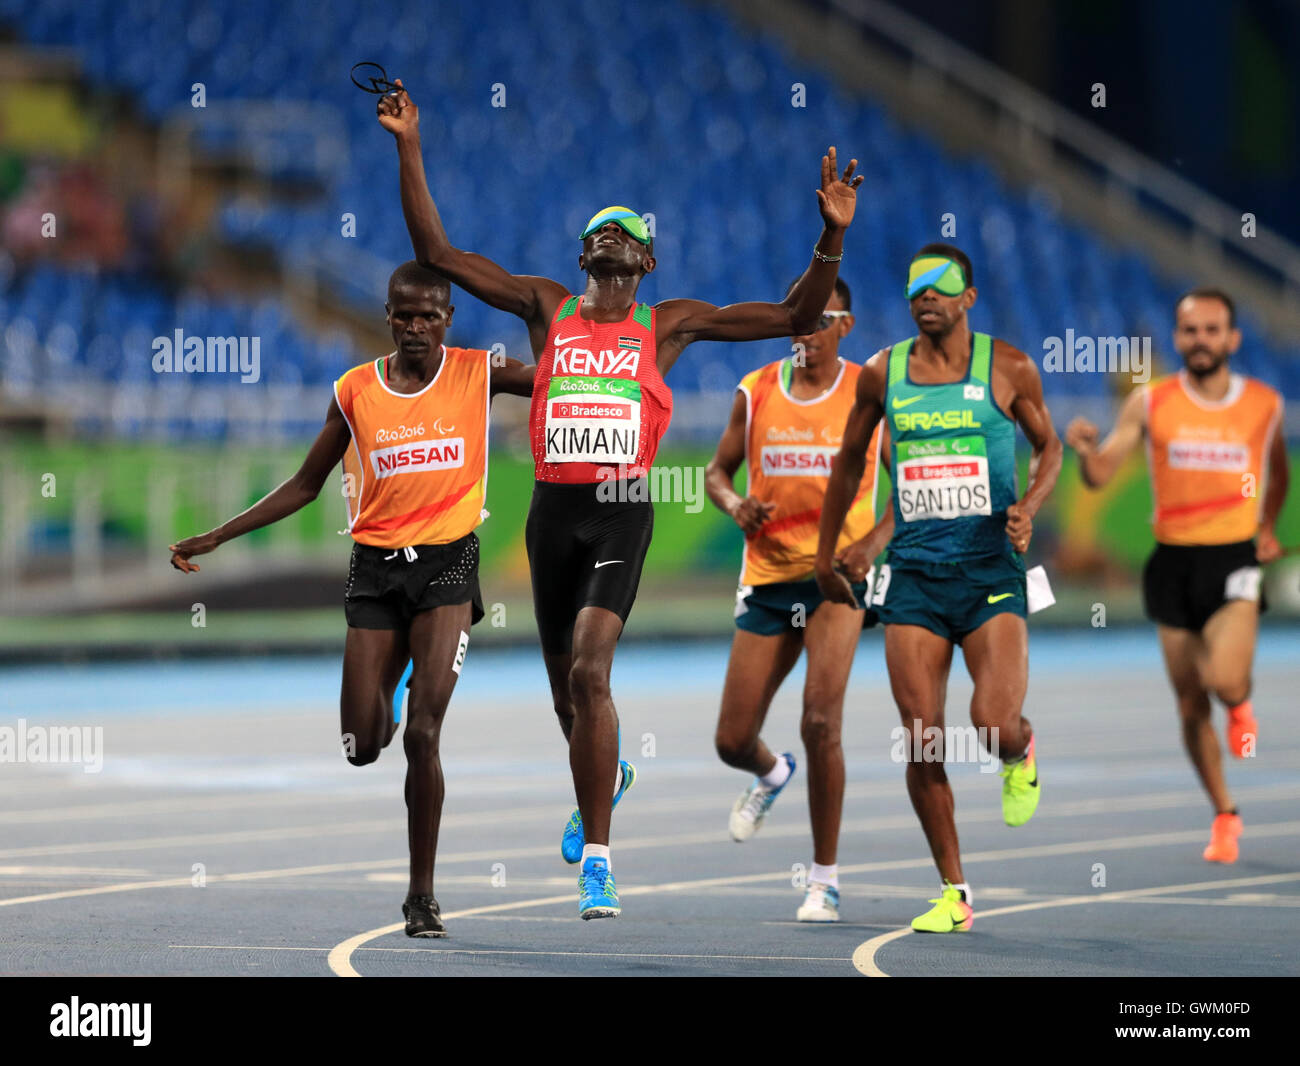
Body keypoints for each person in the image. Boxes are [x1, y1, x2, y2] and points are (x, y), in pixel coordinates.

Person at [377, 78, 861, 919]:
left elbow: (794, 316)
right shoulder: (545, 305)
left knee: (592, 671)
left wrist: (830, 237)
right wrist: (409, 144)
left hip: (620, 509)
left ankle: (597, 860)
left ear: (648, 261)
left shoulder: (670, 322)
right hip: (550, 516)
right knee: (566, 692)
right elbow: (440, 255)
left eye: (629, 233)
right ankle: (607, 774)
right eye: (600, 230)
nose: (613, 237)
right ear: (582, 257)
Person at [169, 262, 535, 937]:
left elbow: (559, 383)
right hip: (374, 571)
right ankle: (391, 689)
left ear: (448, 319)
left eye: (431, 315)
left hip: (449, 566)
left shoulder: (477, 372)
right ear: (388, 316)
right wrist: (219, 535)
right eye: (406, 314)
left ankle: (420, 897)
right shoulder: (355, 390)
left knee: (424, 735)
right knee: (360, 746)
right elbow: (306, 484)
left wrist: (620, 362)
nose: (418, 326)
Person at [815, 243, 1062, 932]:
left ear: (968, 298)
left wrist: (1030, 508)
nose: (926, 295)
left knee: (991, 722)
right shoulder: (882, 373)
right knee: (922, 739)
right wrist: (833, 549)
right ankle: (954, 892)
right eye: (915, 285)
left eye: (941, 285)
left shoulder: (1007, 367)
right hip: (916, 580)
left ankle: (1020, 748)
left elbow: (1052, 448)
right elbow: (848, 463)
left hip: (990, 574)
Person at [1065, 287, 1288, 864]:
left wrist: (1265, 524)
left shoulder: (1263, 403)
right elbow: (1102, 471)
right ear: (1177, 338)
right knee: (1190, 705)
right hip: (1171, 564)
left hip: (1234, 559)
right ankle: (1224, 814)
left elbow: (1278, 471)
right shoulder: (1150, 402)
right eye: (1190, 330)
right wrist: (1089, 454)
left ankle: (1240, 703)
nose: (1201, 340)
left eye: (1213, 330)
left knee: (1223, 680)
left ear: (1232, 339)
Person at [705, 277, 886, 922]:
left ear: (846, 324)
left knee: (820, 721)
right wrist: (734, 505)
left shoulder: (869, 389)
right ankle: (771, 772)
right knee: (730, 739)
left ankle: (824, 879)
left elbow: (908, 484)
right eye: (797, 322)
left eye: (819, 320)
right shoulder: (754, 392)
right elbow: (715, 473)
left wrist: (871, 546)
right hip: (771, 575)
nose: (804, 333)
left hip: (836, 578)